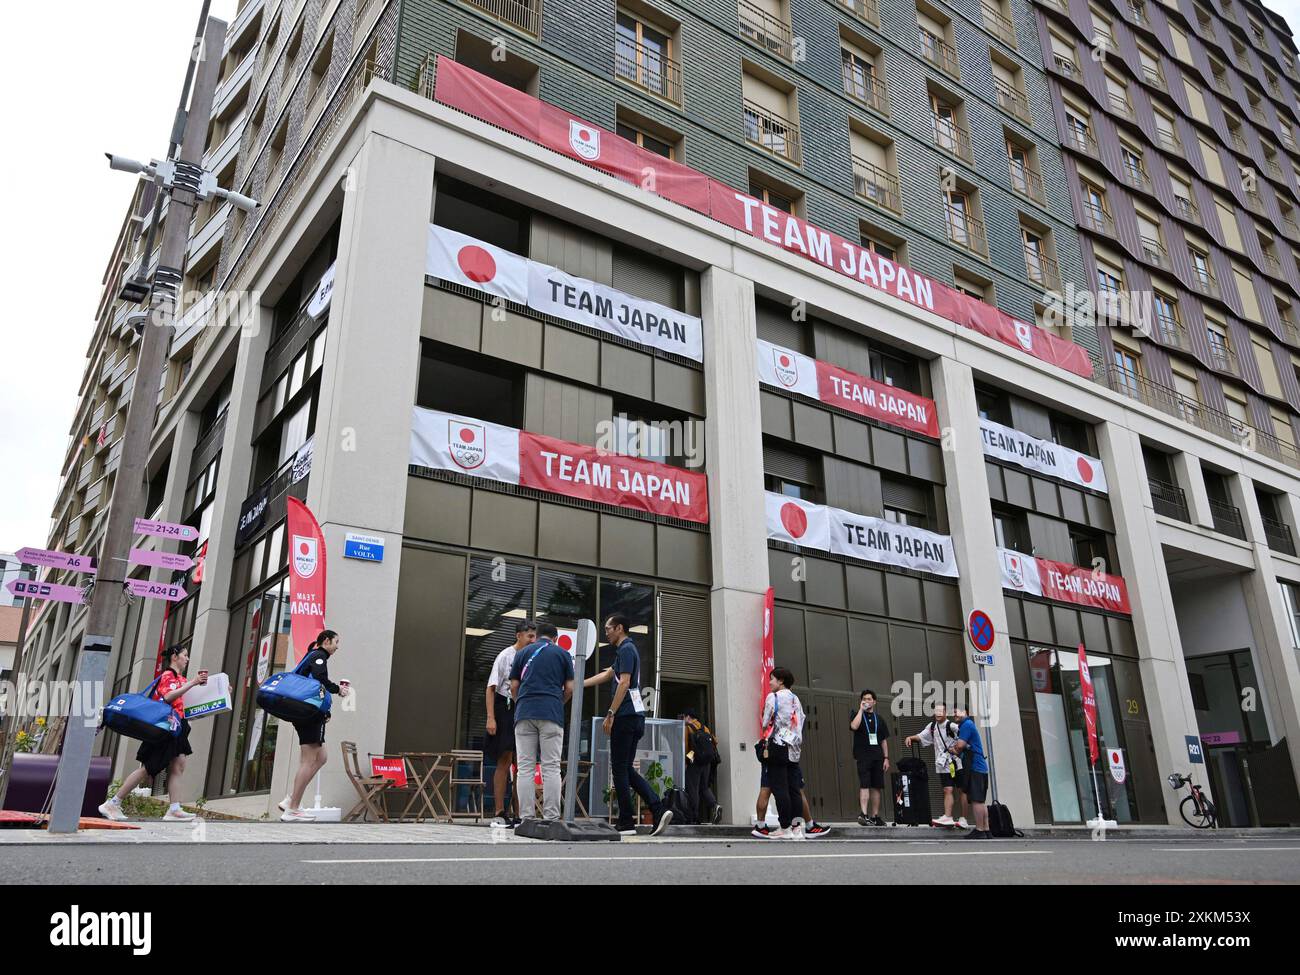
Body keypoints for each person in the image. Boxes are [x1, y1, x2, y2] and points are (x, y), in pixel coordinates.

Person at [584, 614, 672, 836]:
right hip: (635, 717)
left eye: (608, 628)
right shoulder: (627, 651)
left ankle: (627, 821)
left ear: (620, 628)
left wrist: (610, 713)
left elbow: (623, 682)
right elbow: (609, 674)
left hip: (625, 716)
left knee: (619, 769)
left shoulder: (626, 649)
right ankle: (656, 808)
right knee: (625, 769)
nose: (606, 632)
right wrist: (581, 683)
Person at [99, 646, 205, 822]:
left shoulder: (181, 679)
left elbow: (190, 703)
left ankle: (174, 809)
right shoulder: (168, 675)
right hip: (166, 729)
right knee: (148, 768)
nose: (187, 659)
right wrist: (192, 683)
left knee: (178, 765)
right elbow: (168, 697)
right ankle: (113, 802)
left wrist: (220, 692)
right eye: (185, 655)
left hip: (177, 727)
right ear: (174, 656)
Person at [280, 630, 348, 822]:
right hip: (308, 714)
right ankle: (293, 809)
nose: (337, 647)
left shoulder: (312, 654)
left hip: (305, 712)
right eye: (336, 642)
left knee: (321, 757)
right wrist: (338, 689)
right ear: (326, 641)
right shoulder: (319, 655)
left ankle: (291, 800)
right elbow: (319, 680)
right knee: (308, 760)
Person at [508, 621, 573, 823]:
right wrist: (558, 703)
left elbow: (513, 686)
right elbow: (570, 688)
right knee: (551, 767)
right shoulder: (563, 654)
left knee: (525, 767)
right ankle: (551, 817)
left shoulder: (523, 653)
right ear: (555, 639)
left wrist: (521, 702)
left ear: (536, 636)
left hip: (524, 713)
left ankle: (526, 817)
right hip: (551, 713)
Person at [485, 619, 535, 826]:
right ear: (518, 635)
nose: (532, 640)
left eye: (535, 636)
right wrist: (491, 717)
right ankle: (499, 810)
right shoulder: (506, 656)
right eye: (529, 636)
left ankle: (519, 811)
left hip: (523, 707)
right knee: (504, 759)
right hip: (504, 706)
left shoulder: (533, 657)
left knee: (522, 762)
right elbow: (491, 688)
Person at [753, 667, 807, 840]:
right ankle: (796, 828)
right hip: (794, 748)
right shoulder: (795, 698)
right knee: (794, 790)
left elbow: (765, 722)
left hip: (778, 746)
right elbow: (802, 719)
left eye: (772, 679)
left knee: (780, 789)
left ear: (781, 681)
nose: (770, 682)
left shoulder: (773, 697)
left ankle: (785, 827)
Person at [905, 702, 963, 828]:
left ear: (945, 712)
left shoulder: (952, 726)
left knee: (961, 790)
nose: (938, 713)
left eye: (941, 711)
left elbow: (965, 737)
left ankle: (963, 818)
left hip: (956, 763)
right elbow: (921, 736)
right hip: (943, 764)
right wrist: (910, 737)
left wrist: (957, 748)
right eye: (936, 711)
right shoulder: (932, 726)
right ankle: (948, 817)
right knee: (947, 789)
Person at [753, 765, 831, 838]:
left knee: (767, 789)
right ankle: (801, 827)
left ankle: (762, 827)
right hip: (788, 761)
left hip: (770, 760)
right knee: (796, 791)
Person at [850, 689, 890, 826]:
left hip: (878, 756)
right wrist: (861, 710)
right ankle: (864, 814)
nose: (866, 701)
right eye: (864, 699)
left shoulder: (880, 719)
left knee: (876, 786)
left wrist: (886, 758)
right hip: (863, 756)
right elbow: (854, 726)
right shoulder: (856, 715)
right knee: (864, 784)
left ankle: (875, 816)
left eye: (869, 699)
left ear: (874, 702)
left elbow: (883, 740)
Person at [950, 704, 991, 839]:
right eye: (954, 712)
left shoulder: (966, 725)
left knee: (976, 800)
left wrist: (953, 750)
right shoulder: (968, 725)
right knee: (981, 801)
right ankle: (986, 830)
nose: (955, 715)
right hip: (981, 767)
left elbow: (960, 746)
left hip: (975, 767)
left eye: (957, 712)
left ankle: (979, 830)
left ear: (965, 712)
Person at [681, 708, 720, 824]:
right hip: (706, 762)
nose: (683, 719)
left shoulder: (687, 728)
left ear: (688, 717)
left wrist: (687, 761)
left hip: (695, 761)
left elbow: (686, 746)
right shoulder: (705, 728)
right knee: (704, 787)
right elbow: (715, 741)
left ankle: (694, 817)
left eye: (684, 717)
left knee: (692, 788)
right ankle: (715, 806)